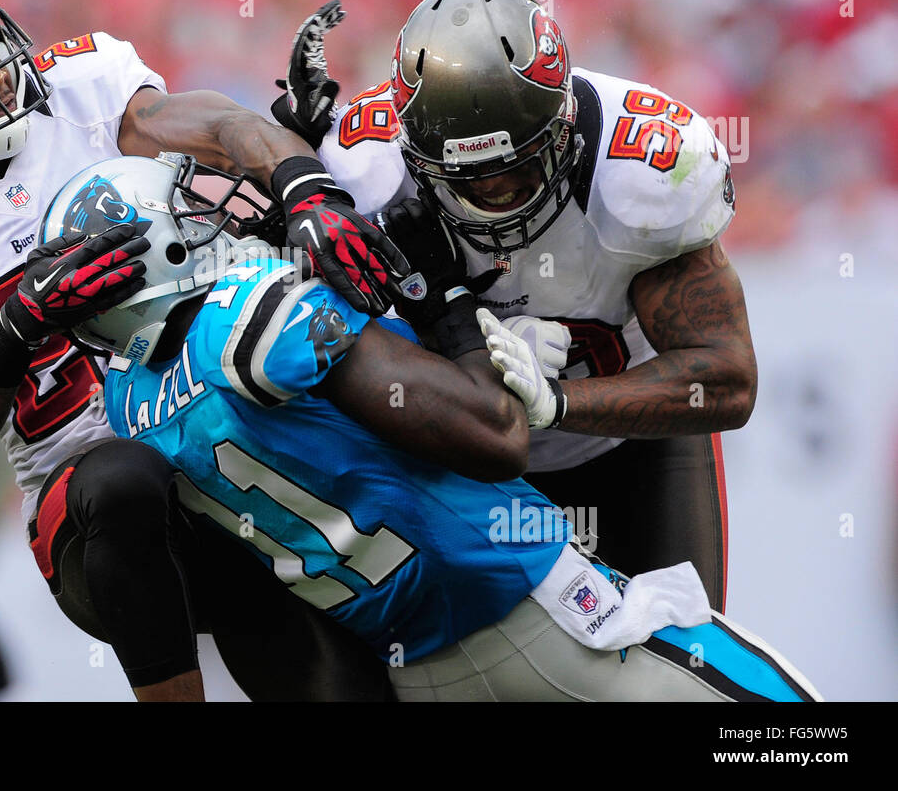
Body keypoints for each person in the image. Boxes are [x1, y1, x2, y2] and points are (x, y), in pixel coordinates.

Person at [0, 0, 403, 701]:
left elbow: (220, 126)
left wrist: (304, 184)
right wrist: (21, 324)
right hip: (93, 513)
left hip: (226, 436)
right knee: (123, 478)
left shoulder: (84, 90)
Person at [49, 151, 818, 701]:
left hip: (418, 666)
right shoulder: (256, 313)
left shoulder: (130, 401)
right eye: (185, 210)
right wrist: (455, 311)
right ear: (162, 247)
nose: (211, 213)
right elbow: (493, 436)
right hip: (541, 609)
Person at [271, 0, 750, 610]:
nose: (497, 194)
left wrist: (555, 403)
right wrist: (292, 163)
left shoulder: (645, 167)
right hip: (458, 461)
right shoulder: (365, 168)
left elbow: (725, 379)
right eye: (469, 175)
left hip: (632, 450)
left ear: (564, 125)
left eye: (517, 168)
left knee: (683, 661)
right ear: (415, 153)